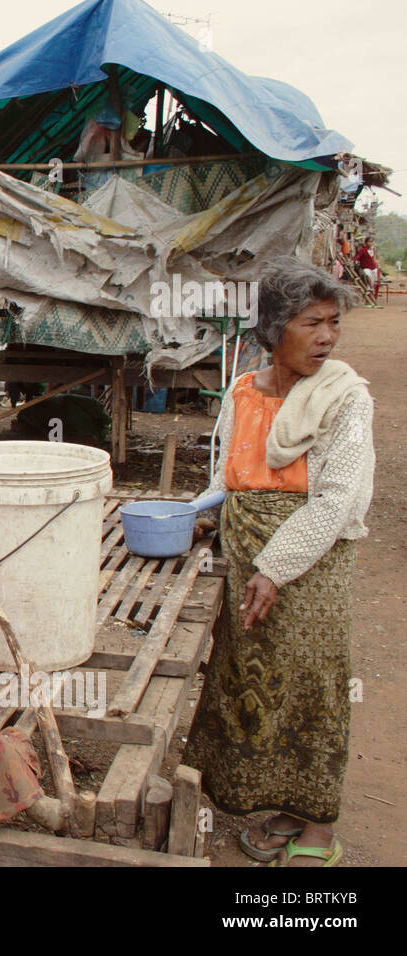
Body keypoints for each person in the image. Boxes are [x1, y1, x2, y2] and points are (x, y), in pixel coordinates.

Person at [184, 257, 375, 868]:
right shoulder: (244, 389)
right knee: (249, 683)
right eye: (312, 324)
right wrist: (200, 512)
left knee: (312, 687)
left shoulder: (345, 398)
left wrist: (276, 565)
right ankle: (273, 806)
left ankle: (316, 825)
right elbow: (231, 469)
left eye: (333, 324)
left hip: (308, 565)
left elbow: (338, 497)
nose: (327, 338)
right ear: (272, 330)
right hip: (244, 560)